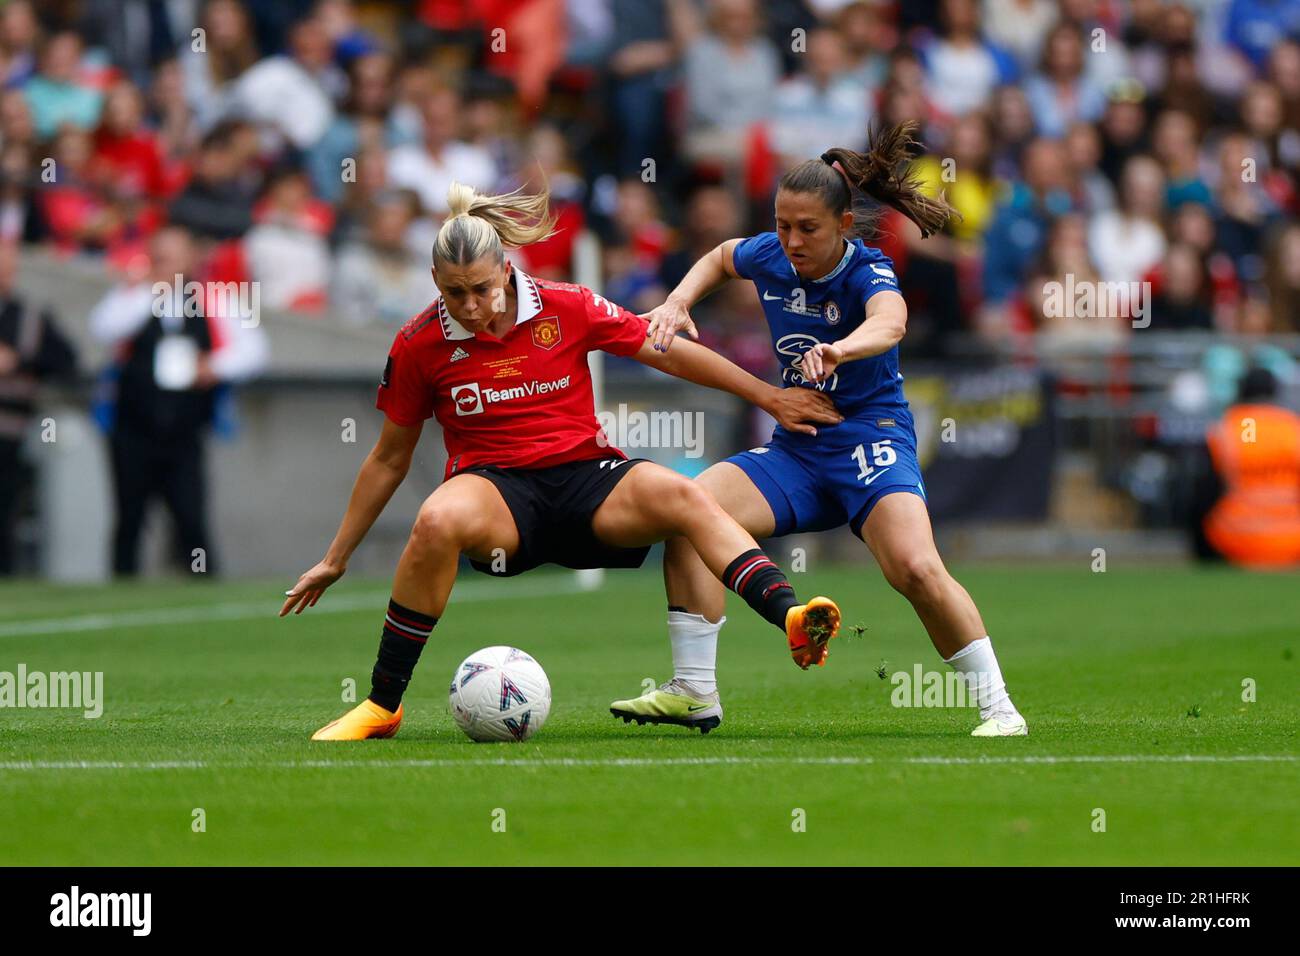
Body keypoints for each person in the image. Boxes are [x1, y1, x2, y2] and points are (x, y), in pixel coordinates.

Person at [282, 181, 845, 741]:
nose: (471, 306)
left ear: (505, 270)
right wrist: (337, 557)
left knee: (684, 495)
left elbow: (664, 351)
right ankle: (382, 706)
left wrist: (768, 396)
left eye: (481, 288)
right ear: (435, 283)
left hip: (587, 481)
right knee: (436, 519)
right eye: (455, 294)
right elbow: (388, 459)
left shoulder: (566, 304)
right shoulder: (418, 344)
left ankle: (788, 617)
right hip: (496, 493)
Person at [610, 121, 1029, 737]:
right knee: (689, 510)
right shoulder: (772, 255)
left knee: (913, 568)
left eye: (807, 228)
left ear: (842, 226)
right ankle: (695, 690)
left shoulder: (868, 271)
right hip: (799, 447)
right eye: (782, 225)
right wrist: (677, 302)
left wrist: (841, 350)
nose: (791, 241)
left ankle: (1000, 709)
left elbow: (891, 322)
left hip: (871, 437)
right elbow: (721, 256)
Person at [1194, 367, 1300, 567]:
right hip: (1294, 539)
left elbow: (1203, 495)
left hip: (1235, 539)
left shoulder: (1232, 428)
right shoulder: (1292, 427)